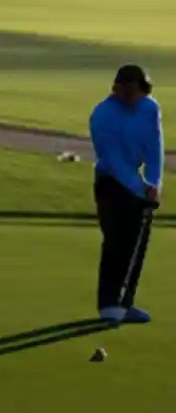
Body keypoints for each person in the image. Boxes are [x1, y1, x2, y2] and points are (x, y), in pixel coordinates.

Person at [90, 64, 164, 324]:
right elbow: (112, 160)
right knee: (116, 242)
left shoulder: (150, 108)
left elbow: (155, 149)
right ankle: (109, 305)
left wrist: (154, 183)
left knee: (137, 245)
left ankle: (126, 303)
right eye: (125, 91)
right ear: (116, 88)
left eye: (135, 91)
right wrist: (139, 188)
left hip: (137, 184)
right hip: (110, 183)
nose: (129, 97)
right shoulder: (102, 115)